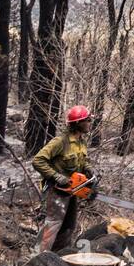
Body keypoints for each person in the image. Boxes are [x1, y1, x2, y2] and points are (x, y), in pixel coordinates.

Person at [33, 105, 96, 250]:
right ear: (78, 122)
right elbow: (38, 160)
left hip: (72, 189)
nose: (89, 123)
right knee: (53, 224)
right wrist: (56, 176)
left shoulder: (81, 142)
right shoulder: (60, 142)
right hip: (57, 191)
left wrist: (87, 168)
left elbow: (82, 161)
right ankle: (37, 257)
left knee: (69, 225)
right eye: (87, 120)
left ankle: (59, 255)